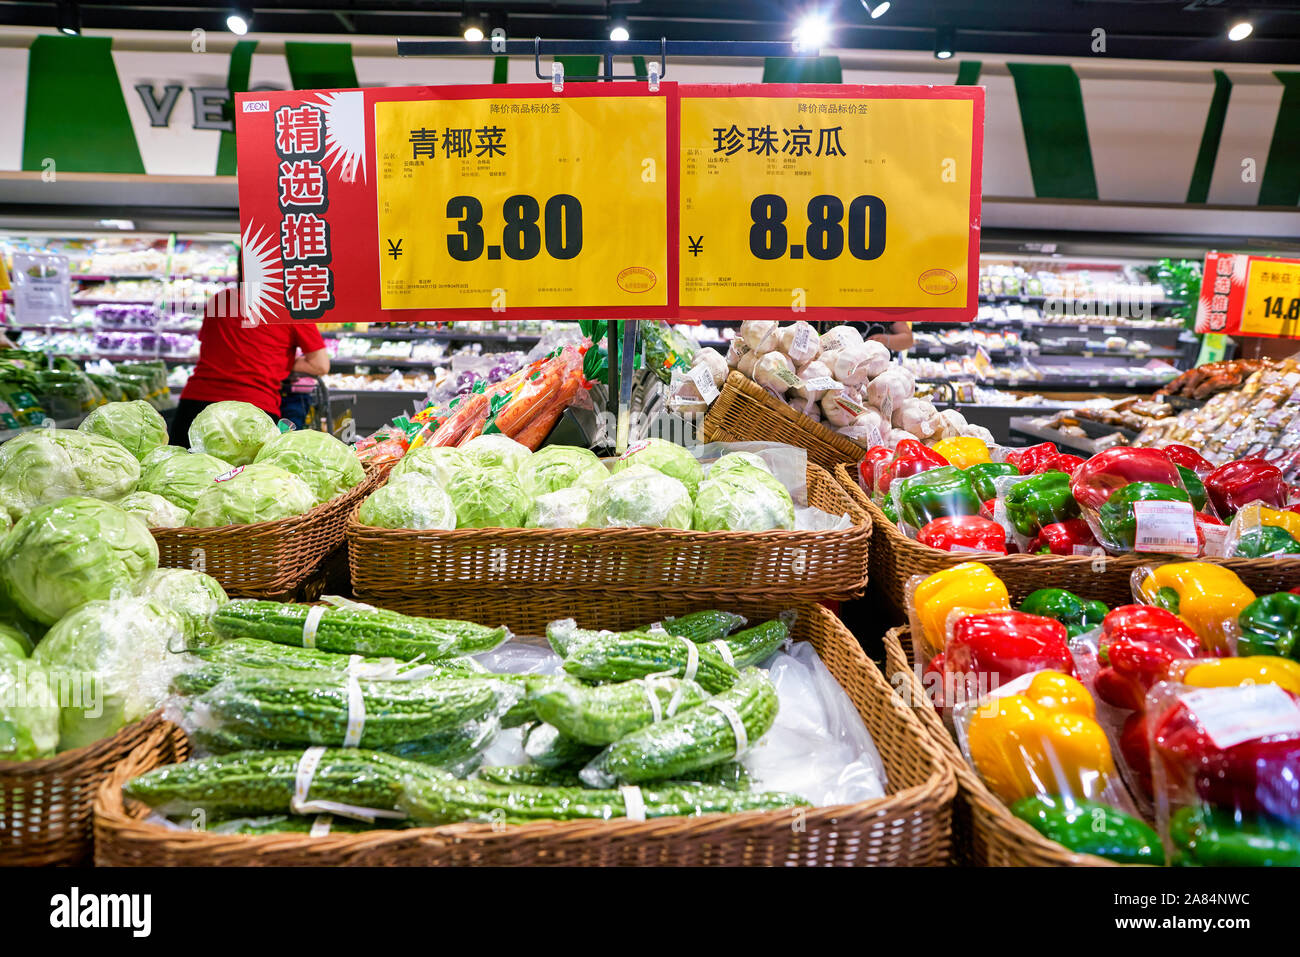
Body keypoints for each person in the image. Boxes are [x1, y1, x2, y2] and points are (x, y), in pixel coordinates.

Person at [170, 284, 329, 446]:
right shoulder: (290, 306)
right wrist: (277, 359)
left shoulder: (221, 299)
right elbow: (320, 365)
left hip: (196, 404)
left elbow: (212, 346)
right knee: (247, 471)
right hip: (253, 410)